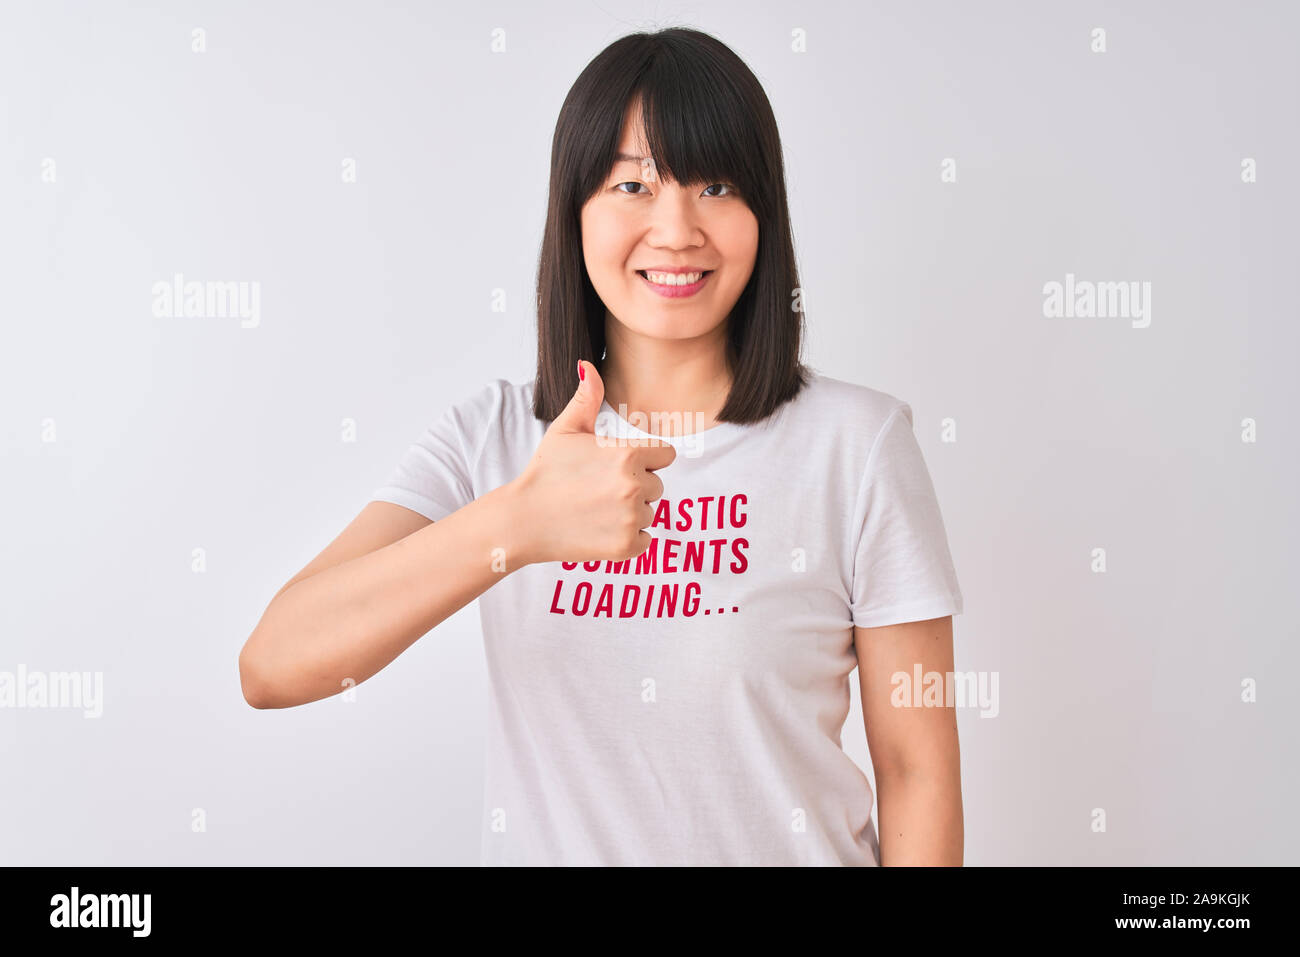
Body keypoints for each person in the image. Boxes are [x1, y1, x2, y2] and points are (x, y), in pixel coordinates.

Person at [238, 27, 965, 867]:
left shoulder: (857, 446)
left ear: (764, 213)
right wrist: (520, 523)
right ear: (573, 210)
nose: (677, 229)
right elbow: (274, 664)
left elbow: (917, 773)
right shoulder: (493, 439)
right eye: (632, 183)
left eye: (718, 185)